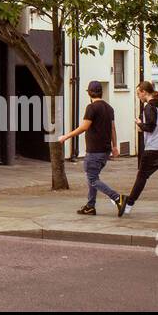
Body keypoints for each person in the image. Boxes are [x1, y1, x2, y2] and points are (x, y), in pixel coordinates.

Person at [57, 81, 126, 216]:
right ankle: (90, 206)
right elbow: (112, 128)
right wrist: (115, 146)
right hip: (105, 151)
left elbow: (84, 127)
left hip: (94, 151)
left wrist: (66, 136)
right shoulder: (109, 108)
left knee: (93, 179)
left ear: (89, 93)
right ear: (101, 92)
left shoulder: (91, 107)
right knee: (93, 177)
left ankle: (118, 198)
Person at [122, 80, 158, 216]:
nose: (138, 96)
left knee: (142, 176)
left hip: (154, 147)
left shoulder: (149, 107)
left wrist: (140, 124)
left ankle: (129, 204)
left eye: (138, 93)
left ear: (144, 92)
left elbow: (151, 127)